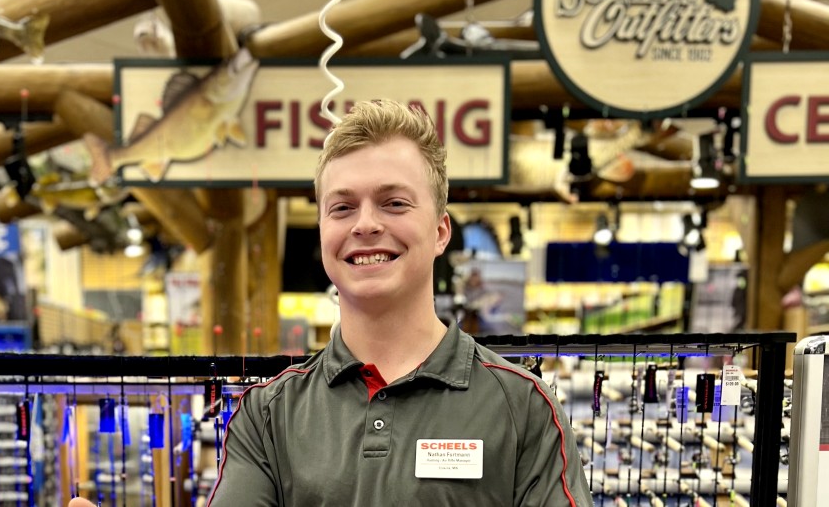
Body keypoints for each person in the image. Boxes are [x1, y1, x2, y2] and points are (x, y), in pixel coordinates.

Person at [72, 100, 592, 506]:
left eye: (393, 202)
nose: (365, 224)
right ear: (323, 232)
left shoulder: (525, 410)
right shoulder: (267, 416)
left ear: (439, 232)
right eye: (342, 207)